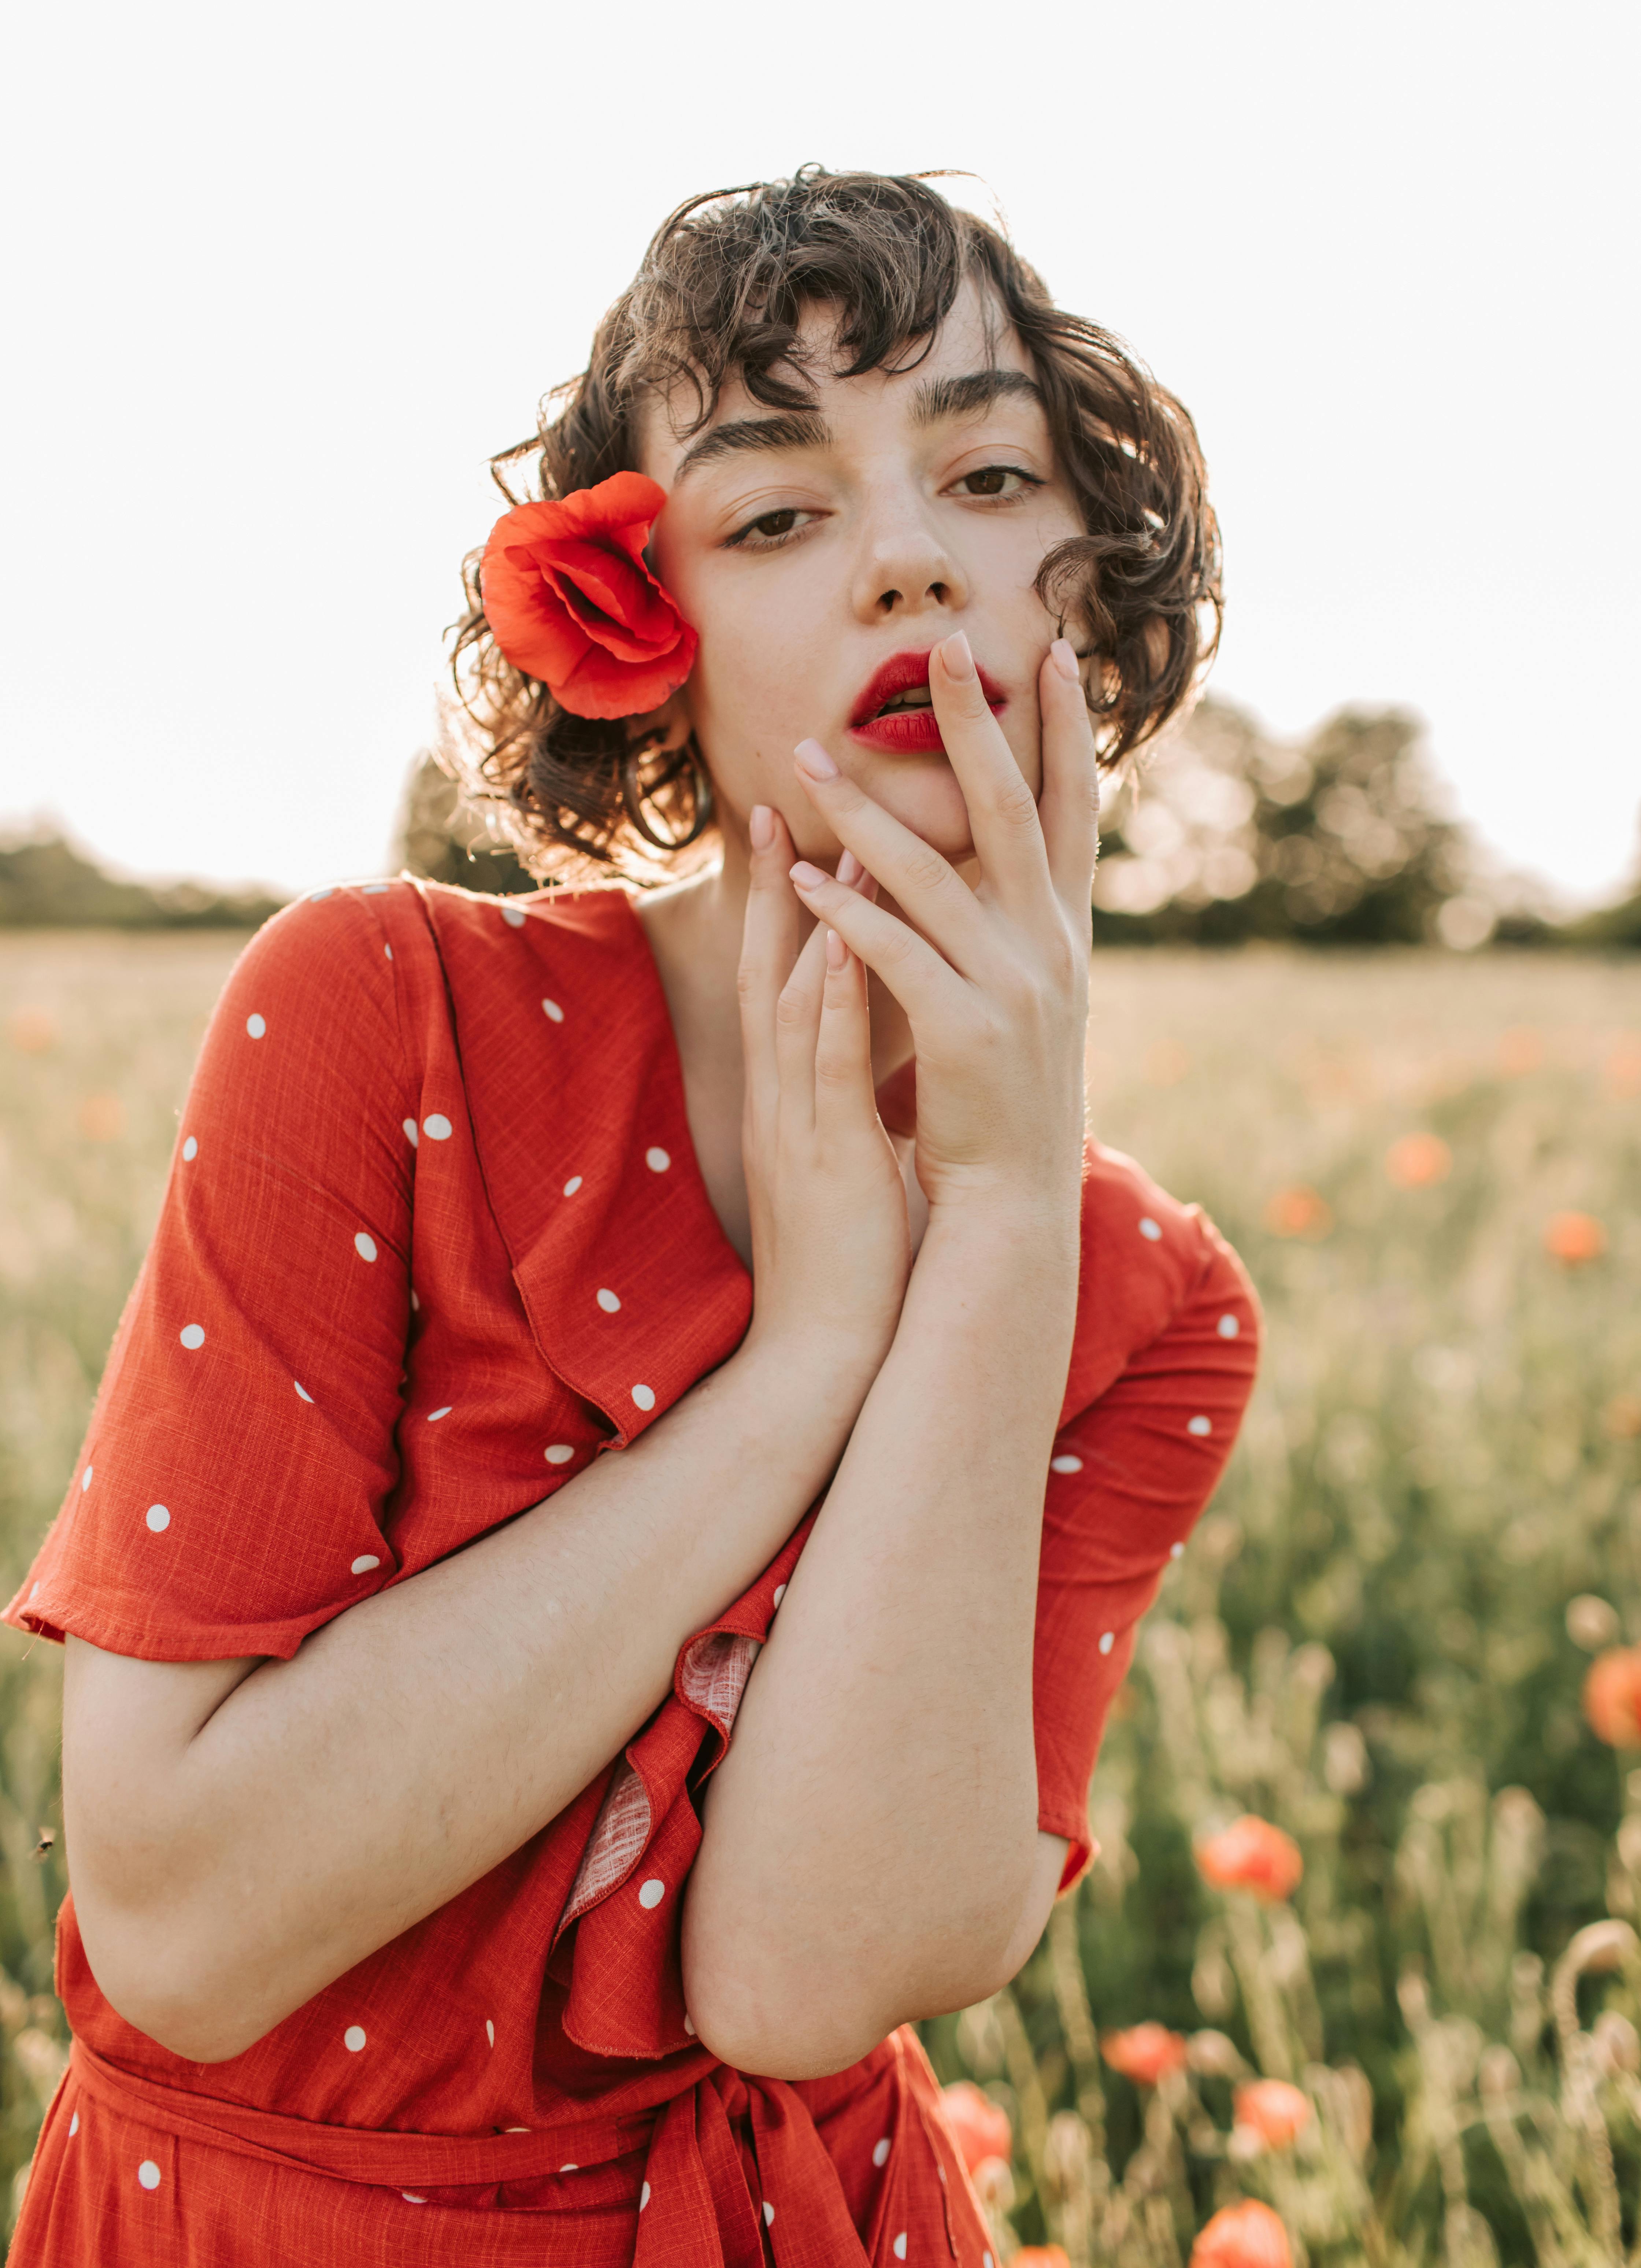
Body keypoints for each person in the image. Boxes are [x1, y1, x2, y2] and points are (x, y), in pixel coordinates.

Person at [7, 169, 1259, 2265]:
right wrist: (800, 1371)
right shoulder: (385, 1014)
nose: (908, 561)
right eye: (776, 514)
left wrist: (1000, 1207)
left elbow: (795, 1979)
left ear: (1095, 593)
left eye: (985, 476)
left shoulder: (1150, 1298)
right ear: (641, 637)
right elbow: (184, 1928)